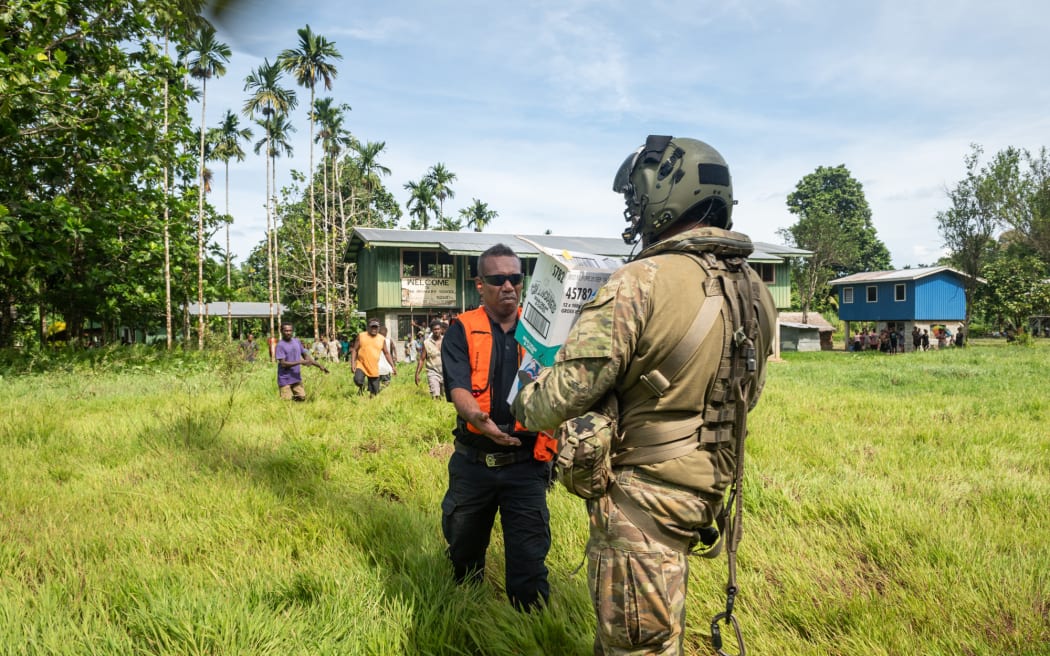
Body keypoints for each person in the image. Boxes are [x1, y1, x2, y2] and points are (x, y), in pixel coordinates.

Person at [512, 136, 777, 654]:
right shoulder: (756, 292)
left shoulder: (639, 282)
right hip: (704, 496)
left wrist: (525, 389)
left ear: (665, 193)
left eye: (637, 198)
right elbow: (747, 394)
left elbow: (552, 401)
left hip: (642, 508)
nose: (634, 212)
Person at [439, 243, 551, 612]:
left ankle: (530, 629)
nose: (508, 286)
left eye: (515, 278)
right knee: (464, 555)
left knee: (529, 561)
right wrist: (478, 420)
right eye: (497, 278)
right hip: (475, 464)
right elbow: (457, 387)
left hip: (526, 466)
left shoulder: (542, 332)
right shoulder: (462, 330)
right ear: (479, 284)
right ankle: (465, 617)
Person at [275, 322, 329, 401]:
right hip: (285, 379)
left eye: (290, 331)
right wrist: (300, 362)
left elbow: (306, 357)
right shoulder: (280, 345)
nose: (288, 333)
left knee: (302, 398)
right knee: (287, 402)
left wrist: (320, 366)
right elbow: (283, 364)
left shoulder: (297, 341)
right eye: (286, 331)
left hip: (296, 377)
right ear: (281, 331)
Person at [351, 319, 396, 397]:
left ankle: (369, 402)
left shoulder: (381, 339)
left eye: (376, 327)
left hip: (373, 367)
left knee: (375, 392)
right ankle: (362, 386)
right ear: (369, 327)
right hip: (361, 365)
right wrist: (353, 364)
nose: (374, 329)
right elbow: (354, 350)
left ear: (378, 328)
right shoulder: (361, 336)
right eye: (372, 327)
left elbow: (386, 353)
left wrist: (392, 366)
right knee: (358, 380)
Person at [415, 319, 445, 399]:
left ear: (441, 329)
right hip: (433, 372)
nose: (437, 331)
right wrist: (417, 374)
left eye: (438, 329)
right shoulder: (427, 343)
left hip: (445, 373)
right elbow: (422, 359)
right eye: (435, 329)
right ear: (432, 330)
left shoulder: (446, 340)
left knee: (444, 397)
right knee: (436, 396)